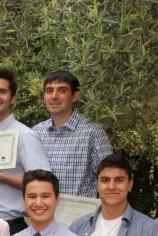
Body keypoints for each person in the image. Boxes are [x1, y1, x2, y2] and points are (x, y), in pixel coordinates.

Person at [0, 69, 52, 235]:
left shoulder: (25, 136)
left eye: (2, 92)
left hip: (10, 227)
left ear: (13, 98)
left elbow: (43, 183)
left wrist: (2, 177)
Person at [32, 70, 113, 199]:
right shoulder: (36, 132)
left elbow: (110, 179)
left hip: (80, 217)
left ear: (75, 96)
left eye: (62, 90)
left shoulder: (92, 132)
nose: (54, 96)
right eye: (49, 91)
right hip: (42, 214)